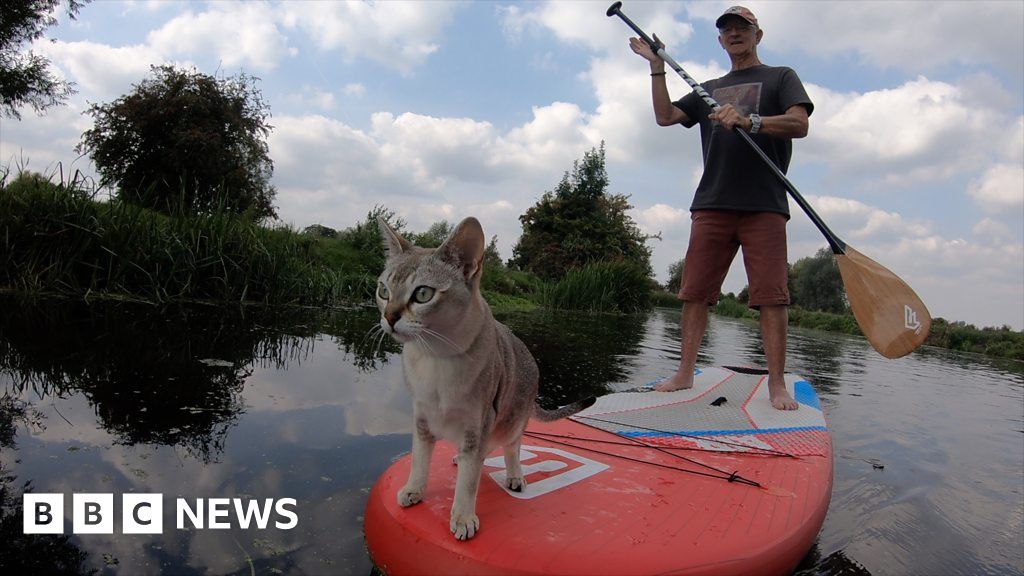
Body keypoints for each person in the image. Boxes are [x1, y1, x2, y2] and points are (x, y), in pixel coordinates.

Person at [628, 6, 813, 410]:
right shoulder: (708, 87)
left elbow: (800, 124)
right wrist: (657, 68)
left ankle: (776, 384)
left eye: (741, 28)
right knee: (694, 293)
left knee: (771, 297)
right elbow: (664, 116)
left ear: (757, 34)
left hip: (764, 204)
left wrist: (752, 122)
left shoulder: (780, 77)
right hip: (712, 202)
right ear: (720, 40)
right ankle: (683, 373)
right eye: (727, 29)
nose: (734, 34)